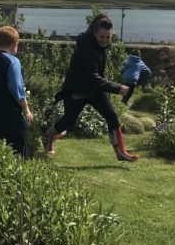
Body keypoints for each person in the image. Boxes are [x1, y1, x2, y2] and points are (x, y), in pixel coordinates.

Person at [41, 13, 138, 161]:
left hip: (95, 89)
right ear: (94, 33)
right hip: (77, 90)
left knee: (111, 116)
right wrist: (117, 88)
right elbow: (93, 77)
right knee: (68, 120)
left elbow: (96, 77)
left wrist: (110, 88)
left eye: (108, 37)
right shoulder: (85, 48)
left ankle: (121, 153)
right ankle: (47, 137)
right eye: (102, 37)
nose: (105, 40)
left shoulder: (100, 46)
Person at [0, 25, 33, 157]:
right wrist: (26, 109)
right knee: (19, 151)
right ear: (14, 44)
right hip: (9, 116)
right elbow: (17, 89)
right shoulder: (13, 61)